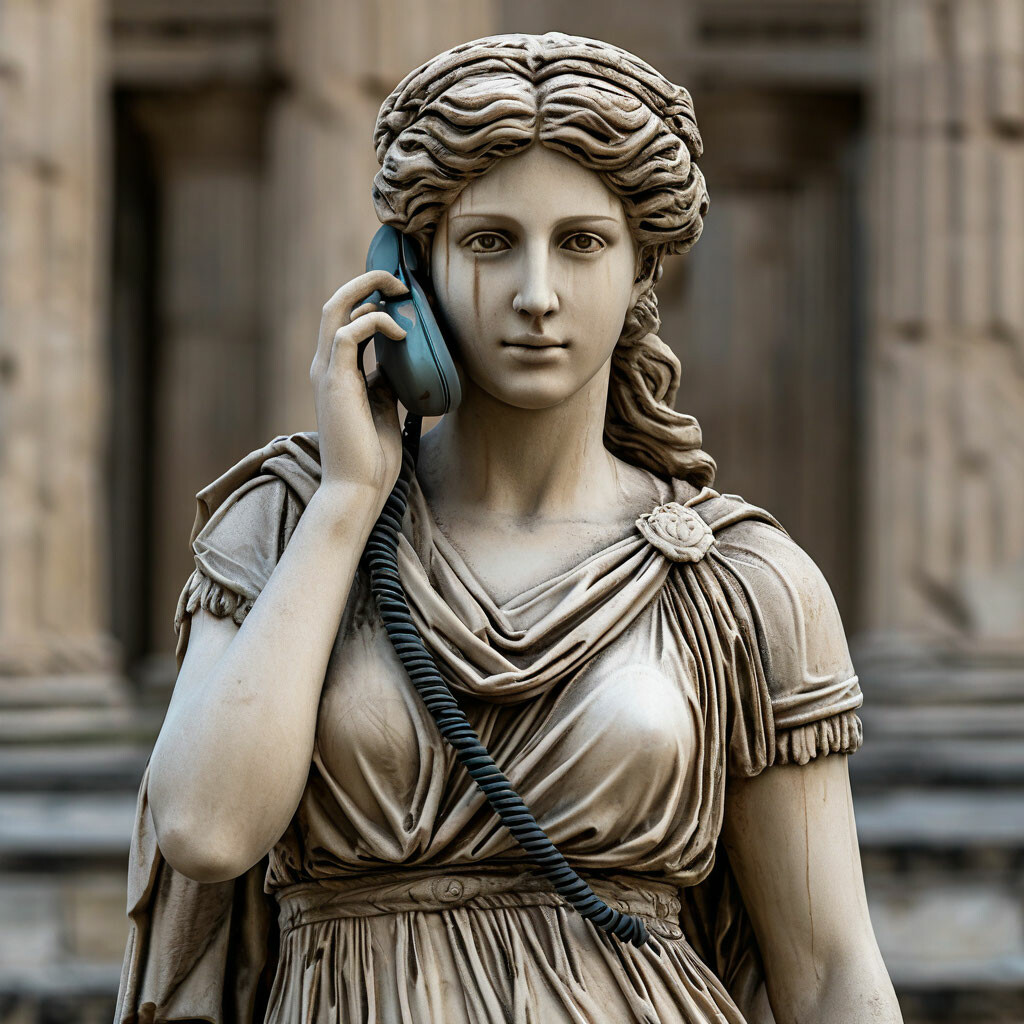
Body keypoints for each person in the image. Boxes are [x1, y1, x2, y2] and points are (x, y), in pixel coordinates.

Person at [115, 31, 902, 1024]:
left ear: (642, 265)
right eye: (490, 242)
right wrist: (350, 501)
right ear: (411, 268)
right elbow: (206, 828)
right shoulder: (284, 524)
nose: (537, 296)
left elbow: (830, 969)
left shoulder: (741, 581)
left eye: (581, 242)